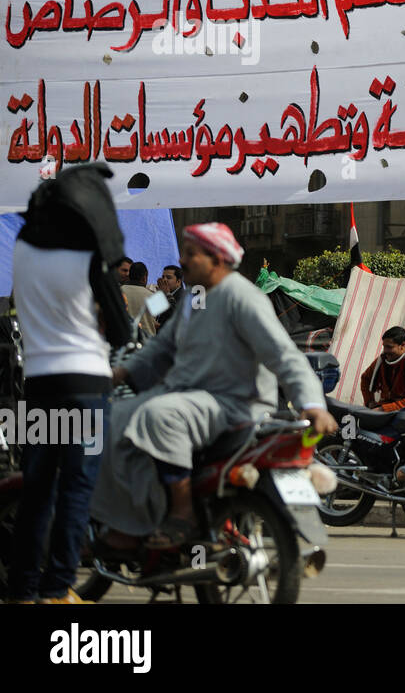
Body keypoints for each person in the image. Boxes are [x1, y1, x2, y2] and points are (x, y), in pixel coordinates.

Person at [90, 223, 336, 551]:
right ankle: (131, 522)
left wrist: (313, 404)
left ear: (217, 260)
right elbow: (160, 348)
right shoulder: (196, 299)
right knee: (115, 418)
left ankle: (182, 514)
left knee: (160, 416)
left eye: (192, 254)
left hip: (235, 405)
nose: (183, 260)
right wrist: (118, 373)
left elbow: (284, 355)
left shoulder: (242, 297)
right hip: (193, 399)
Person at [6, 162, 134, 603]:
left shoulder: (22, 245)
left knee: (37, 490)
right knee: (78, 486)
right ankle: (57, 588)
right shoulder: (88, 253)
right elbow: (121, 332)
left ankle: (21, 590)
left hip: (38, 386)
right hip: (86, 388)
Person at [360, 326, 405, 411]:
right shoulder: (382, 360)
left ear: (402, 346)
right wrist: (370, 402)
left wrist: (382, 409)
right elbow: (365, 378)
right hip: (386, 411)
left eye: (389, 347)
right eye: (384, 347)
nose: (385, 351)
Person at [121, 261, 157, 338]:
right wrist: (165, 294)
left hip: (124, 339)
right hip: (147, 341)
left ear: (129, 275)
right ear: (145, 277)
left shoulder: (118, 291)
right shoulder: (153, 296)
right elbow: (164, 318)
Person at [154, 264, 184, 329]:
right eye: (163, 277)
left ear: (178, 282)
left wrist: (159, 326)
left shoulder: (183, 297)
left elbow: (177, 319)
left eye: (168, 277)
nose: (164, 280)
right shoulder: (164, 293)